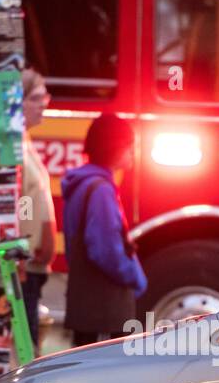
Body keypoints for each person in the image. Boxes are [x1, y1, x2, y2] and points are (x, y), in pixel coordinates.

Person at [61, 114, 146, 346]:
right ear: (116, 147)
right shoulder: (101, 190)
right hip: (104, 311)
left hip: (84, 306)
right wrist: (135, 277)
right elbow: (105, 250)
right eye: (130, 145)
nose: (133, 152)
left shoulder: (82, 185)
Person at [19, 69, 57, 351]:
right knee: (23, 349)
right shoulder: (12, 150)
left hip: (33, 269)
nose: (44, 103)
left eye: (45, 96)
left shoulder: (26, 144)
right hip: (22, 270)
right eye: (36, 98)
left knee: (29, 346)